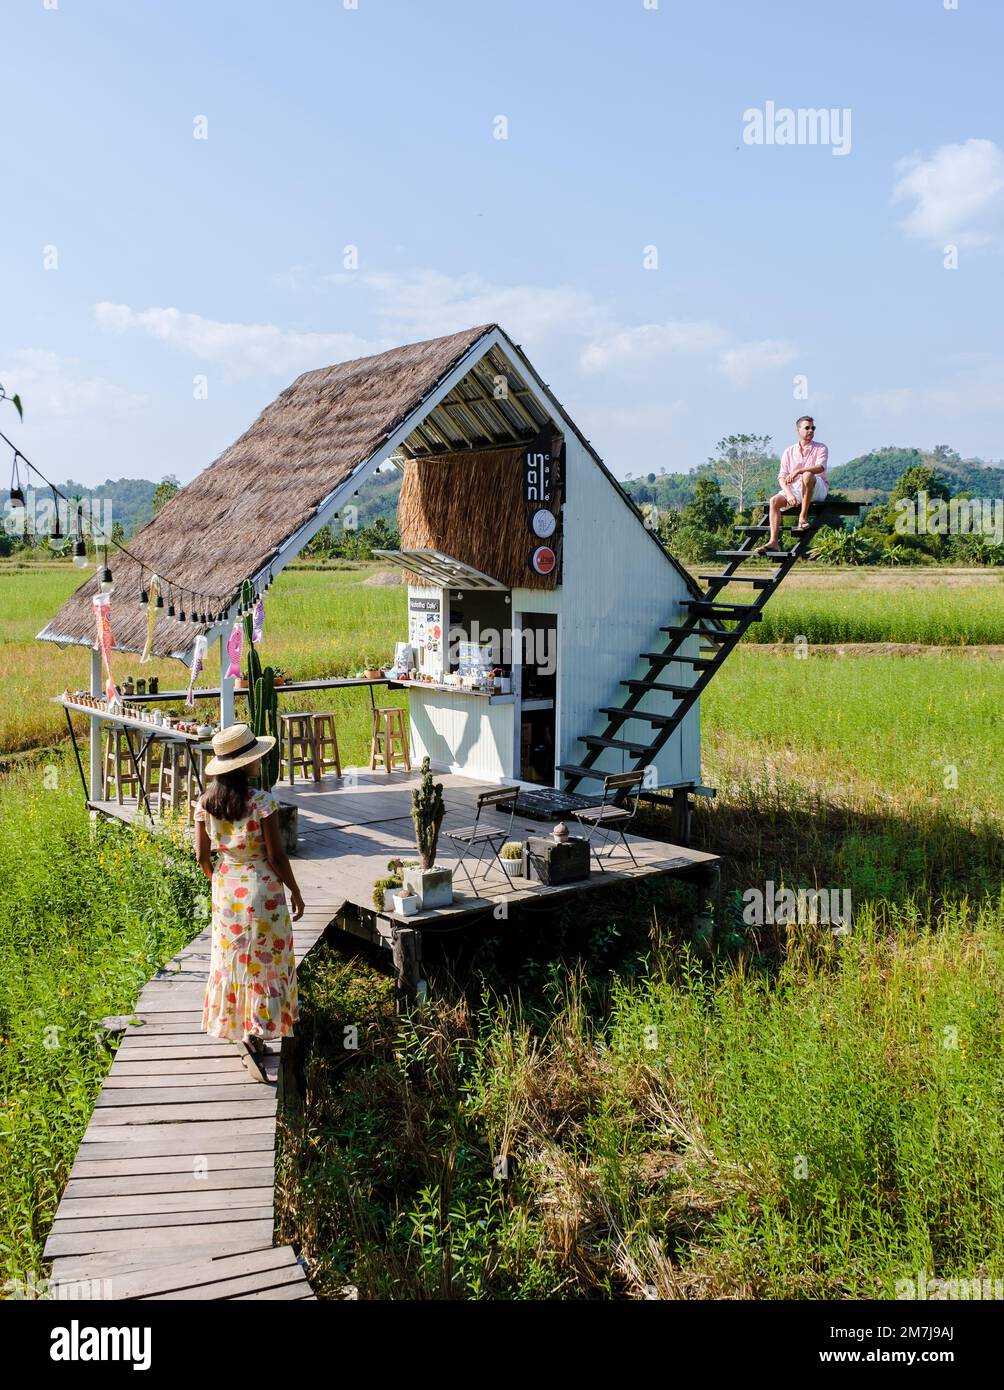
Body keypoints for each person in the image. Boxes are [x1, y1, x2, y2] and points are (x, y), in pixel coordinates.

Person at [194, 722, 304, 1083]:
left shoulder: (205, 803)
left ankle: (242, 1029)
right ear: (244, 765)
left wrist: (221, 881)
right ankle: (257, 1029)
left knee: (233, 959)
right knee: (265, 960)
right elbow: (277, 856)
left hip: (227, 888)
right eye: (255, 757)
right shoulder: (263, 803)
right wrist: (295, 890)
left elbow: (201, 856)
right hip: (262, 890)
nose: (260, 762)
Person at [753, 415, 829, 555]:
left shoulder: (821, 447)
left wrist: (799, 470)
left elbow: (820, 468)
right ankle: (774, 541)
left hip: (817, 488)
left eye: (813, 428)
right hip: (796, 489)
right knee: (774, 501)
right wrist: (788, 493)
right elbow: (782, 477)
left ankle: (802, 518)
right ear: (798, 430)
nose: (811, 430)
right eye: (807, 428)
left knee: (807, 475)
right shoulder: (789, 451)